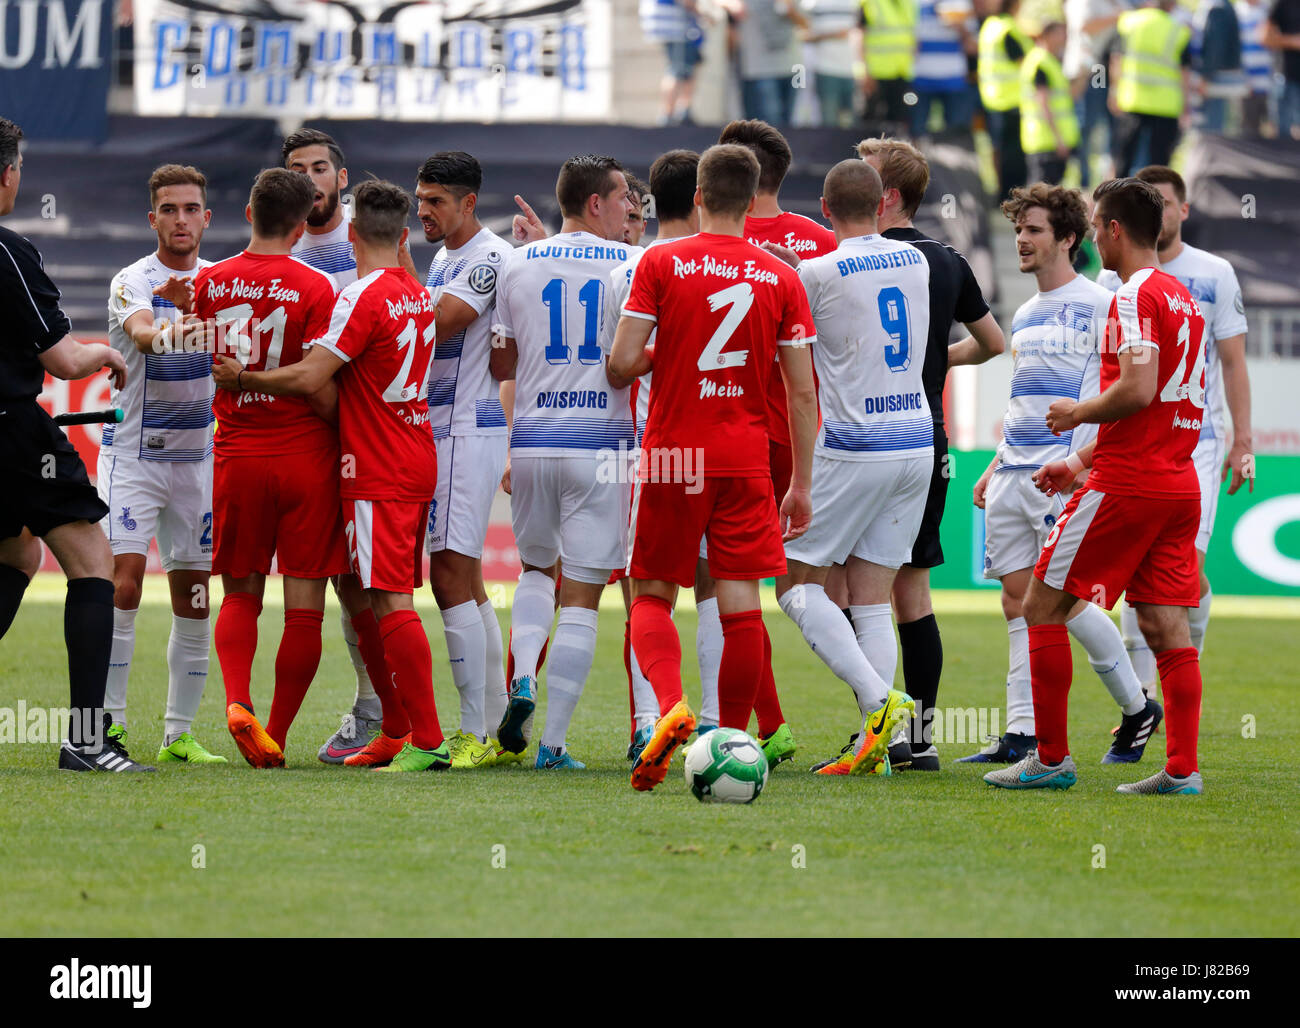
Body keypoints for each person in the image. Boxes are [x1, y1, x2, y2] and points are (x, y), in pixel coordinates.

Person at [213, 179, 451, 773]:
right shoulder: (418, 293)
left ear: (350, 235)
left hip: (373, 462)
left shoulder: (358, 296)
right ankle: (396, 729)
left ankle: (427, 741)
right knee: (360, 591)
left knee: (389, 598)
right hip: (413, 450)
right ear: (404, 236)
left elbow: (309, 377)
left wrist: (243, 379)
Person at [985, 176, 1209, 796]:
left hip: (1128, 485)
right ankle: (1182, 770)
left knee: (1040, 606)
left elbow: (1137, 389)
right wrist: (1079, 460)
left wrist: (1076, 415)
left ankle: (1051, 759)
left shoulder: (1132, 295)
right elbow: (1156, 404)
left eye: (1096, 226)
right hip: (1177, 483)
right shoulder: (1182, 299)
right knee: (1166, 628)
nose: (1093, 240)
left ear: (1112, 229)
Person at [608, 143, 819, 793]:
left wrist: (666, 352)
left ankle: (671, 704)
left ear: (698, 196)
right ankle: (729, 738)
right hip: (745, 459)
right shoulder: (781, 277)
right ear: (752, 201)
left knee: (651, 593)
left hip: (674, 453)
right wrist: (801, 484)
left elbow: (621, 363)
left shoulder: (661, 262)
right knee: (741, 609)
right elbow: (802, 393)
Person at [964, 182, 1158, 765]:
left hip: (1061, 478)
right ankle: (1021, 733)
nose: (1021, 240)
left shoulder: (1103, 304)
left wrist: (1081, 463)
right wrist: (995, 464)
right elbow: (1024, 400)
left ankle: (1136, 706)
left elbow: (1123, 396)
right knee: (1016, 602)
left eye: (1034, 230)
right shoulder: (1024, 313)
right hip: (1013, 473)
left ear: (1069, 238)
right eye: (1018, 230)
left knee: (1059, 602)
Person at [0, 116, 150, 772]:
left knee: (17, 552)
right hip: (11, 429)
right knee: (93, 561)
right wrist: (104, 355)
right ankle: (87, 741)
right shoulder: (8, 251)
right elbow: (61, 360)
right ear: (8, 174)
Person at [773, 159, 930, 776]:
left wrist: (792, 271)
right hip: (915, 442)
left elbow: (801, 311)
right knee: (871, 597)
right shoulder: (915, 260)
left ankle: (878, 701)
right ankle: (878, 745)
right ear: (883, 204)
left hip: (854, 444)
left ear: (824, 208)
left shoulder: (815, 273)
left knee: (794, 587)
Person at [856, 137, 1004, 770]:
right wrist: (936, 363)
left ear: (887, 195)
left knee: (847, 589)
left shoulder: (858, 259)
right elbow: (994, 342)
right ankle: (918, 741)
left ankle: (874, 732)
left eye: (863, 177)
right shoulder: (948, 259)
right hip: (928, 439)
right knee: (911, 591)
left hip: (865, 438)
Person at [192, 168, 346, 768]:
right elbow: (319, 385)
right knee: (305, 605)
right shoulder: (317, 287)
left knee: (240, 593)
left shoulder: (210, 281)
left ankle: (238, 701)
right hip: (305, 457)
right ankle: (275, 734)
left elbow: (203, 348)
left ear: (249, 213)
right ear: (302, 223)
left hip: (238, 454)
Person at [488, 155, 637, 770]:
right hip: (601, 447)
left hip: (532, 443)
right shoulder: (632, 264)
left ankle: (523, 675)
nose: (630, 209)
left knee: (534, 572)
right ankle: (552, 744)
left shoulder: (518, 263)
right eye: (623, 197)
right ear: (596, 203)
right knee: (581, 597)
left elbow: (501, 364)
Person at [1097, 166, 1252, 699]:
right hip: (1132, 441)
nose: (1158, 211)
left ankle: (1182, 668)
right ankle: (1145, 696)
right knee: (1137, 572)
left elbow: (1233, 362)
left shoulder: (1214, 273)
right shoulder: (1112, 279)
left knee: (1184, 572)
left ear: (1182, 210)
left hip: (1195, 441)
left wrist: (1243, 441)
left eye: (1164, 202)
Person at [718, 118, 837, 763]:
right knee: (829, 586)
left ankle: (759, 723)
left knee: (722, 585)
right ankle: (878, 717)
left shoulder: (710, 243)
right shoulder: (820, 241)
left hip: (727, 430)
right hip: (803, 431)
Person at [99, 164, 224, 766]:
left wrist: (206, 317)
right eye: (169, 209)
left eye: (191, 208)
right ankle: (110, 725)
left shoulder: (222, 281)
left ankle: (178, 735)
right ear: (153, 219)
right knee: (121, 583)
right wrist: (176, 314)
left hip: (196, 462)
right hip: (133, 459)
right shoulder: (132, 280)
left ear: (207, 217)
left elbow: (241, 348)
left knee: (194, 595)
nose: (181, 219)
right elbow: (145, 337)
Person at [282, 128, 392, 764]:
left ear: (341, 178)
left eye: (319, 168)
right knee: (321, 580)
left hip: (367, 435)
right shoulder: (279, 246)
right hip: (302, 436)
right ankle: (378, 708)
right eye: (297, 169)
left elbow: (408, 315)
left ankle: (382, 709)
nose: (310, 180)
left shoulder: (369, 239)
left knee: (365, 580)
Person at [411, 152, 514, 770]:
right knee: (468, 580)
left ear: (468, 203)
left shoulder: (487, 259)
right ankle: (496, 728)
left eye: (436, 201)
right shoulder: (446, 256)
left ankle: (472, 731)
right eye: (420, 199)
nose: (423, 211)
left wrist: (387, 283)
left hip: (465, 431)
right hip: (446, 429)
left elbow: (437, 324)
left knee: (448, 575)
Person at [600, 149, 704, 762]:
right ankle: (722, 726)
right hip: (727, 449)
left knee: (643, 592)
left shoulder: (632, 271)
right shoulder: (742, 265)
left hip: (654, 450)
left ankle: (651, 719)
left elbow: (617, 367)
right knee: (725, 595)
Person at [1110, 0, 1193, 175]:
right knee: (1159, 166)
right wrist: (1185, 105)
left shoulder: (1129, 23)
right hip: (1165, 105)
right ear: (1171, 5)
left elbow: (1116, 60)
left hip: (1132, 100)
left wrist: (1113, 92)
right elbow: (1184, 72)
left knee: (1123, 159)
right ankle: (1157, 193)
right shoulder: (1179, 31)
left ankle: (1119, 192)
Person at [1064, 0, 1122, 186]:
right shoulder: (1084, 3)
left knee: (1109, 127)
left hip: (1103, 67)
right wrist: (1117, 17)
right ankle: (1084, 179)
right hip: (1090, 68)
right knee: (1087, 126)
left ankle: (1105, 178)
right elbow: (1084, 26)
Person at [978, 0, 1032, 197]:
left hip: (994, 98)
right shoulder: (1008, 29)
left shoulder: (990, 25)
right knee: (1013, 155)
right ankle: (1012, 194)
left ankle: (1002, 193)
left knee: (999, 151)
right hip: (1012, 101)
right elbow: (1024, 62)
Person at [1019, 21, 1080, 185]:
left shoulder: (1050, 61)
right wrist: (1058, 138)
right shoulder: (1040, 62)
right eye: (1060, 34)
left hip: (1050, 140)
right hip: (1045, 140)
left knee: (1050, 191)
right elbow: (1043, 103)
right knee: (1040, 192)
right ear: (1047, 35)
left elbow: (1067, 97)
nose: (1064, 38)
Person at [911, 0, 977, 137]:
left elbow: (972, 46)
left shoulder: (962, 4)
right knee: (916, 131)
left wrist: (960, 28)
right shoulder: (915, 3)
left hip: (954, 79)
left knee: (956, 133)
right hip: (920, 77)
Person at [738, 0, 807, 125]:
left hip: (792, 68)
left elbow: (806, 24)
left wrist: (790, 10)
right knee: (768, 124)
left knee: (788, 124)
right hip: (760, 70)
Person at [640, 0, 708, 125]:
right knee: (677, 70)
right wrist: (701, 12)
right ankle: (668, 113)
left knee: (686, 69)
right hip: (676, 28)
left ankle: (683, 110)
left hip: (676, 26)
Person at [802, 0, 864, 127]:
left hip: (849, 71)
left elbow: (858, 34)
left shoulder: (853, 4)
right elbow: (803, 35)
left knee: (850, 123)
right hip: (825, 70)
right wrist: (833, 34)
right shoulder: (812, 4)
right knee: (829, 123)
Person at [860, 0, 919, 125]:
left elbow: (911, 34)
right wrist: (864, 72)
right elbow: (859, 37)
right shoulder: (869, 3)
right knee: (873, 123)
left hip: (902, 72)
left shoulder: (908, 4)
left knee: (899, 121)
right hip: (877, 73)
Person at [1192, 0, 1244, 134]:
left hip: (1214, 81)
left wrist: (1205, 77)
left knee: (1211, 131)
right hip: (1214, 78)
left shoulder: (1217, 7)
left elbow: (1215, 46)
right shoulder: (1218, 5)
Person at [1238, 0, 1277, 135]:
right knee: (1249, 131)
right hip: (1247, 83)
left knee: (1275, 130)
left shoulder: (1270, 9)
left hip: (1271, 82)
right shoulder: (1238, 12)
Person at [1264, 0, 1300, 139]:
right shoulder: (1282, 3)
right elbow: (1265, 37)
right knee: (1283, 136)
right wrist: (1292, 41)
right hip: (1286, 78)